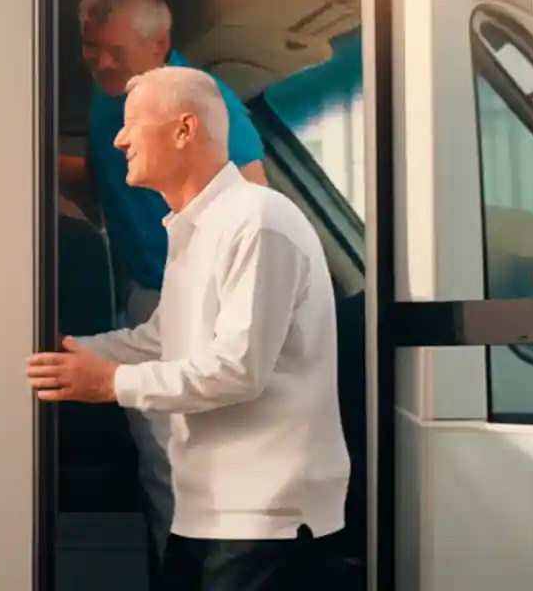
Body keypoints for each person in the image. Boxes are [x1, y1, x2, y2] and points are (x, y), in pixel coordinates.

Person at [30, 66, 350, 590]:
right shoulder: (195, 230)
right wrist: (64, 354)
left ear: (184, 130)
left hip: (266, 518)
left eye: (133, 123)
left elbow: (238, 370)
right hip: (208, 510)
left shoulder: (258, 222)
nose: (118, 138)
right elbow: (159, 341)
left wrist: (110, 384)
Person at [59, 0, 269, 574]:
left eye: (113, 51)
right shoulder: (111, 97)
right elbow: (106, 176)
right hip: (147, 295)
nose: (99, 61)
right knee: (157, 461)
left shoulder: (203, 102)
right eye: (90, 47)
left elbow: (253, 198)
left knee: (192, 460)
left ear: (159, 46)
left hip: (202, 300)